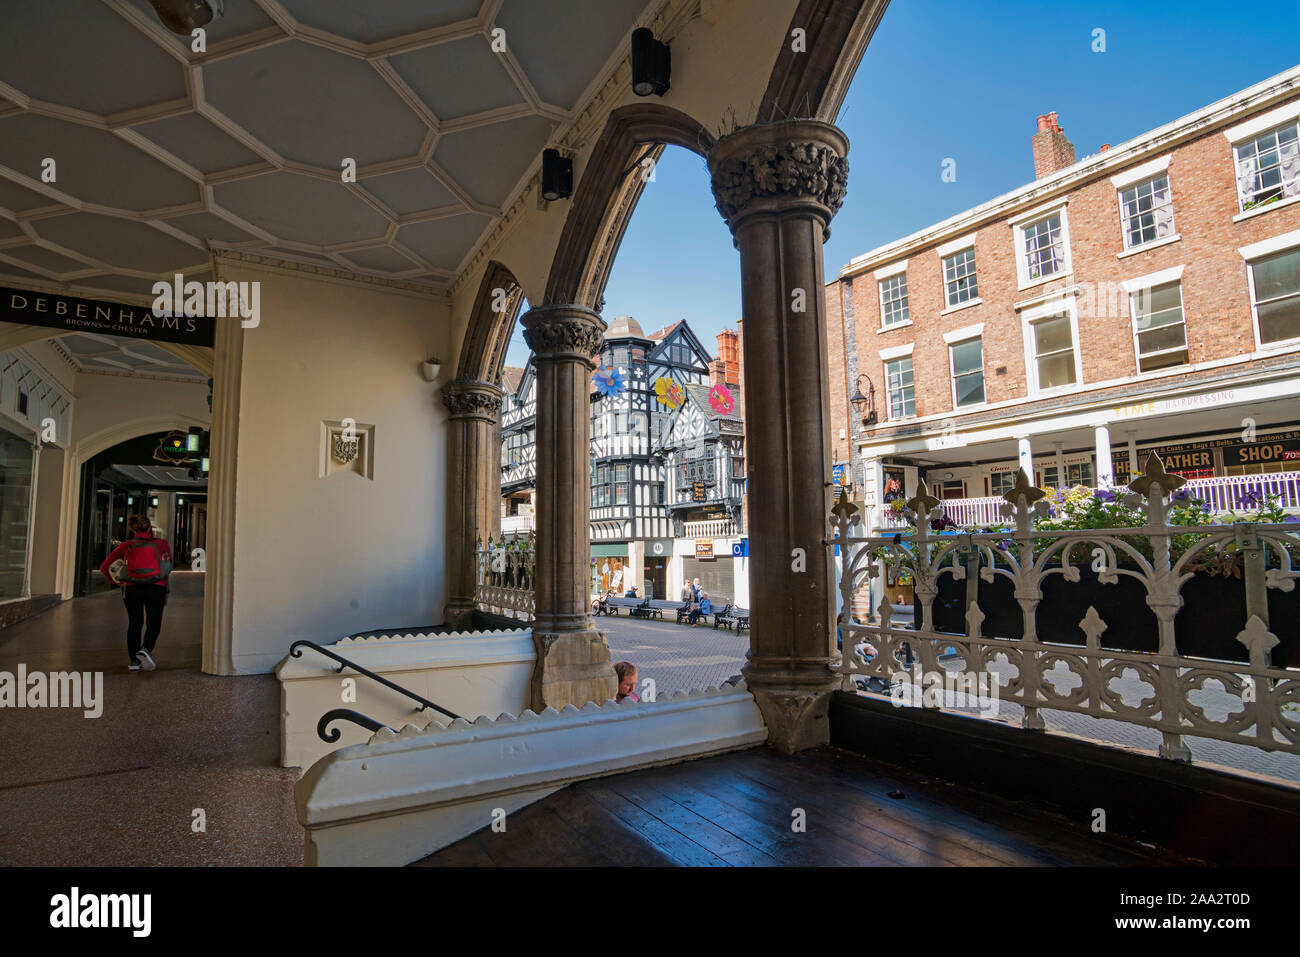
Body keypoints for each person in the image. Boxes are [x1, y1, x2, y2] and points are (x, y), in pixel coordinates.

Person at [99, 515, 172, 673]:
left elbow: (104, 567)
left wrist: (119, 582)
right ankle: (146, 649)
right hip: (156, 587)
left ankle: (133, 661)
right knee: (154, 622)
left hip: (132, 588)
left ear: (133, 529)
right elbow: (167, 565)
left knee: (135, 622)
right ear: (149, 528)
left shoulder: (126, 545)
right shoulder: (161, 544)